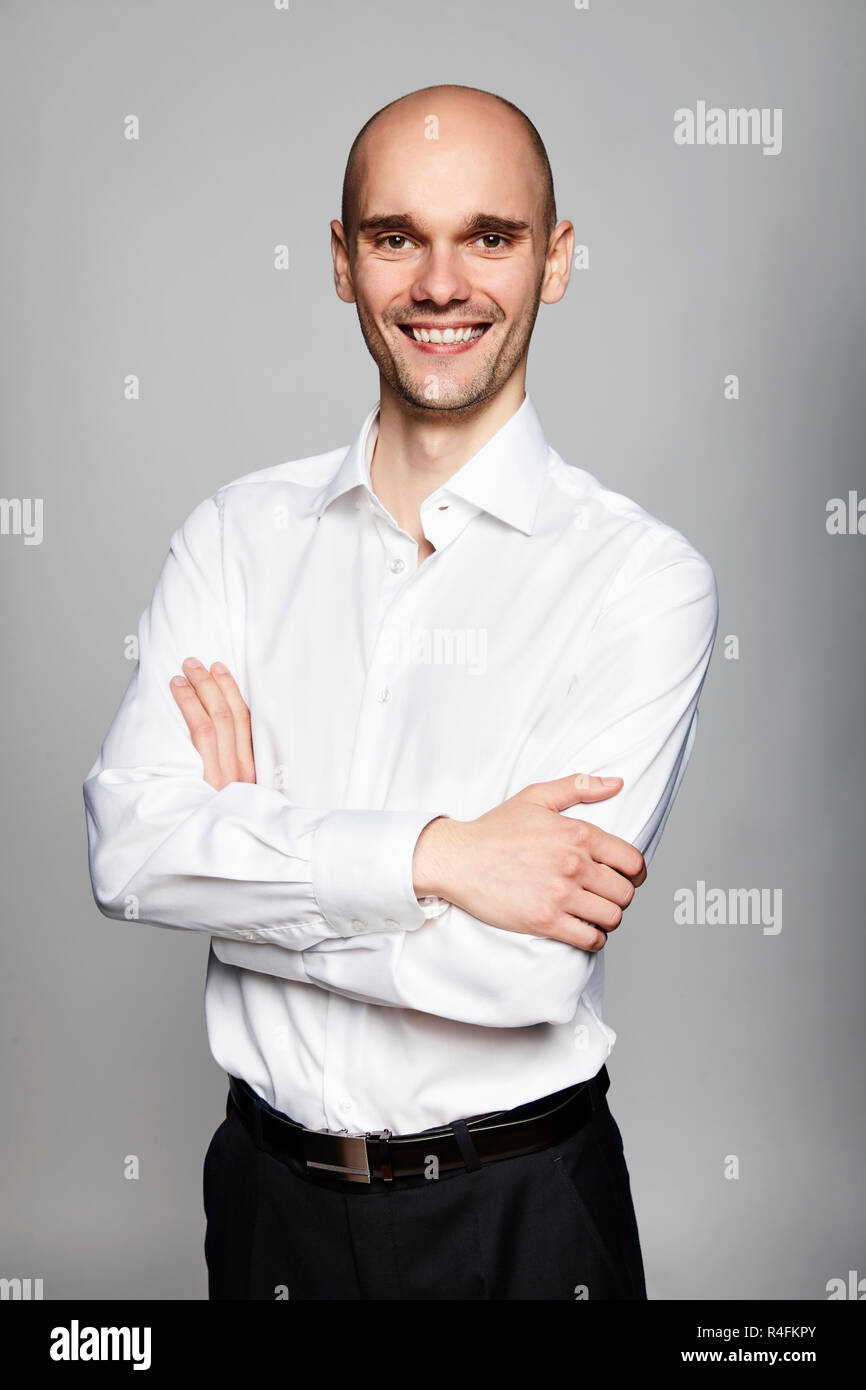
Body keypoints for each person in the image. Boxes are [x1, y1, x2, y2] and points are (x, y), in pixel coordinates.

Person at [83, 83, 718, 1301]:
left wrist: (242, 879)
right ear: (340, 261)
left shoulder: (639, 579)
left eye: (490, 236)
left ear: (556, 260)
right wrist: (435, 858)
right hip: (267, 1210)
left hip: (521, 1217)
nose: (440, 284)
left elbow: (516, 975)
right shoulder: (233, 537)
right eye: (394, 237)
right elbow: (128, 855)